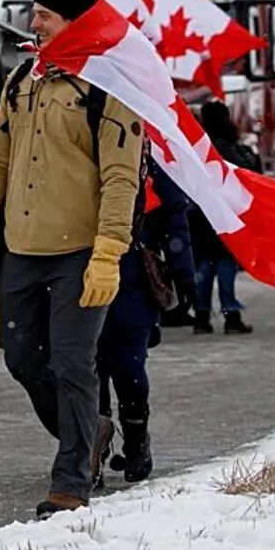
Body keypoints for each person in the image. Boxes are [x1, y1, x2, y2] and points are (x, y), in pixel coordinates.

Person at [0, 0, 144, 519]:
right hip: (23, 249)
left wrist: (109, 250)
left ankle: (71, 479)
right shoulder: (23, 81)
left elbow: (120, 176)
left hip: (81, 251)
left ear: (74, 22)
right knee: (21, 359)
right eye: (34, 14)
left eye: (45, 16)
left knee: (72, 362)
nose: (32, 23)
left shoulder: (108, 86)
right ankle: (90, 433)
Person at [98, 158, 189, 488]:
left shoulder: (147, 163)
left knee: (128, 368)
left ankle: (136, 441)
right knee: (87, 370)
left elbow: (174, 218)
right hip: (81, 273)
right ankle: (92, 446)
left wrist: (184, 275)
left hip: (134, 281)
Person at [191, 101, 258, 335]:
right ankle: (231, 315)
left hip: (201, 213)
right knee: (226, 264)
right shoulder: (227, 146)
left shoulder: (196, 144)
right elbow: (246, 171)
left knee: (205, 266)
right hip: (225, 213)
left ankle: (201, 315)